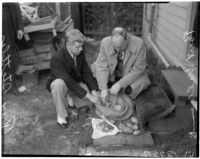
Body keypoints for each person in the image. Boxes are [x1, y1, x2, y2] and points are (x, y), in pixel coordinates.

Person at [46, 29, 99, 129]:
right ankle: (61, 117)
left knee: (90, 99)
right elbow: (67, 80)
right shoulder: (57, 58)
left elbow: (86, 72)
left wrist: (93, 90)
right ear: (68, 45)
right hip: (60, 82)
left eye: (82, 46)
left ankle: (70, 98)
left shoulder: (80, 53)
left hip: (73, 81)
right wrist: (89, 96)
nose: (81, 49)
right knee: (59, 84)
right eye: (78, 47)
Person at [92, 27, 150, 104]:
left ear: (127, 39)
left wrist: (120, 84)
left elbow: (139, 69)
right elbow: (102, 65)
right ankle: (109, 86)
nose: (118, 50)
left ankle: (124, 93)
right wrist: (103, 89)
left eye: (120, 47)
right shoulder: (105, 42)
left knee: (143, 81)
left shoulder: (139, 44)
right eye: (115, 47)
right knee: (95, 67)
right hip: (114, 71)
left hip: (129, 72)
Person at [2, 3, 33, 90]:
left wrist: (20, 27)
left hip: (6, 21)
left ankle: (12, 85)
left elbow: (15, 5)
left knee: (9, 52)